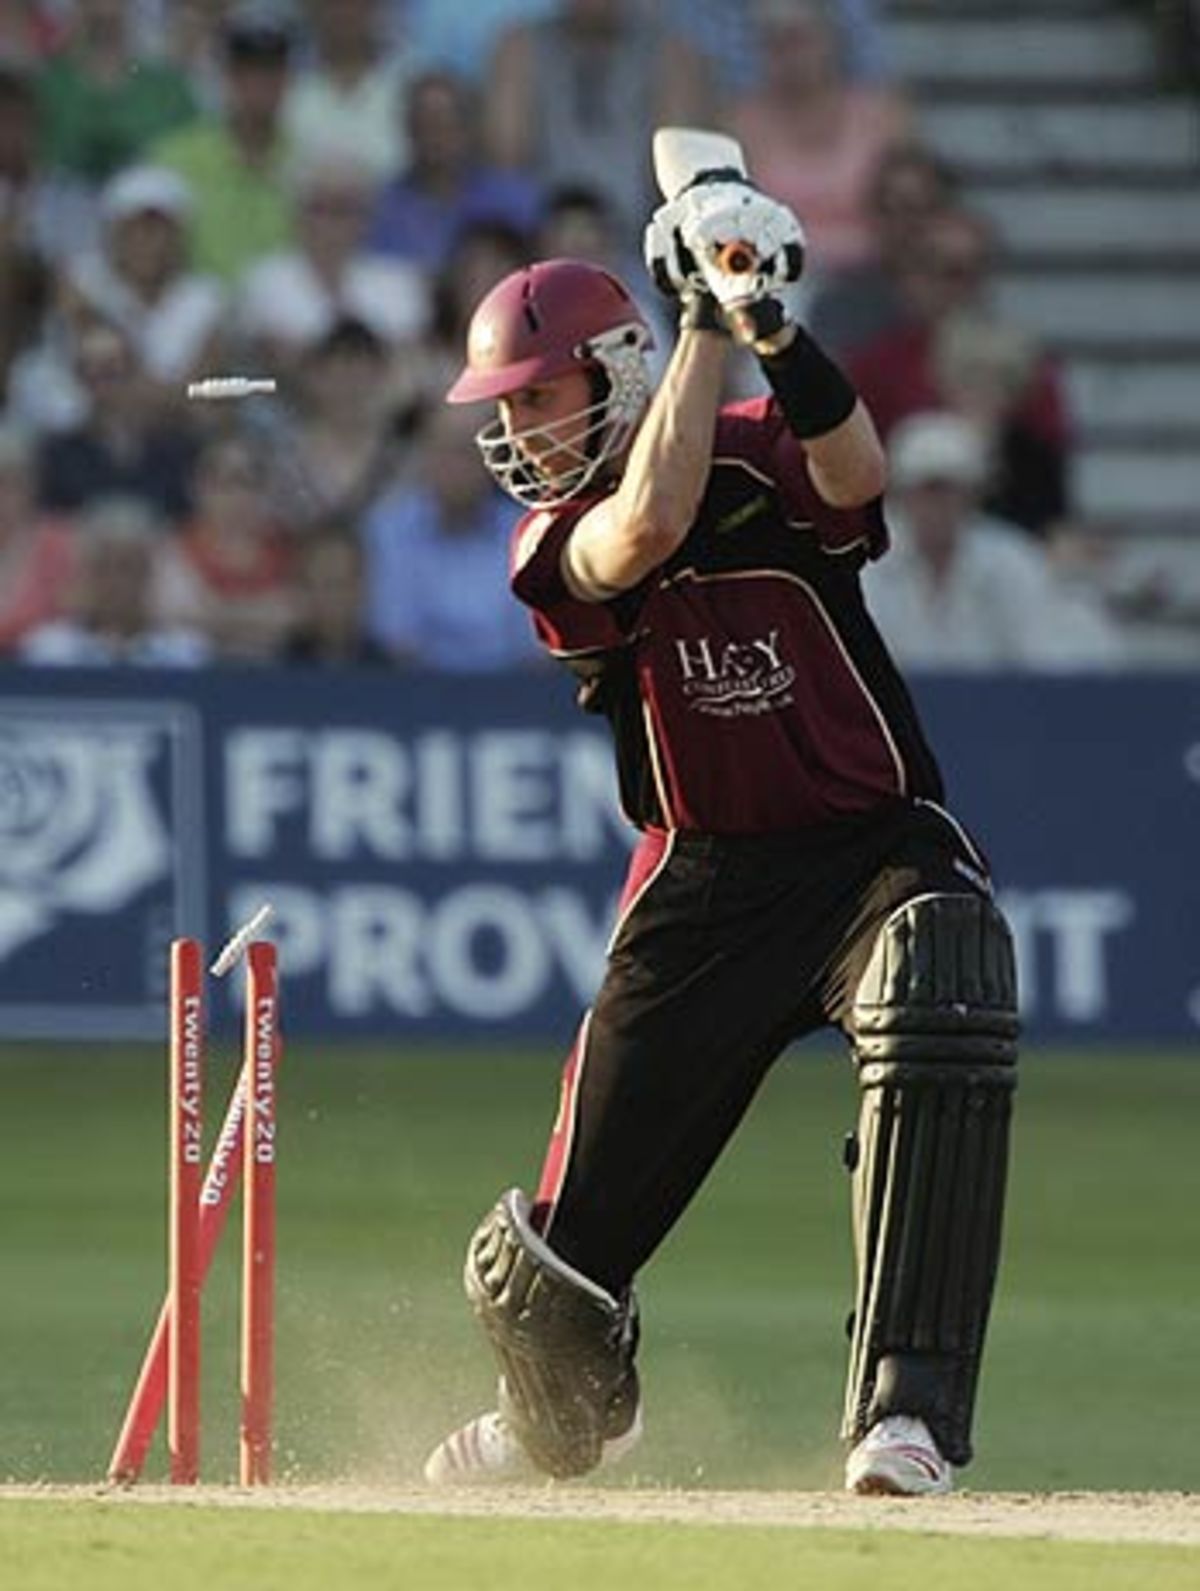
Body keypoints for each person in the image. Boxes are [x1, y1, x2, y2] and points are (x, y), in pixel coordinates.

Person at [421, 167, 1020, 1497]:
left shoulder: (760, 439)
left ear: (612, 372)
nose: (516, 425)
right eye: (504, 404)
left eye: (535, 392)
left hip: (871, 850)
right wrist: (704, 318)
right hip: (703, 882)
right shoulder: (549, 539)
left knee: (944, 976)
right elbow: (647, 526)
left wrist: (764, 320)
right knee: (544, 1282)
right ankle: (571, 1415)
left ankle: (902, 1412)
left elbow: (855, 466)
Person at [861, 411, 1123, 671]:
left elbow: (1040, 658)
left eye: (950, 491)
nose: (938, 506)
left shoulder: (1012, 561)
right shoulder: (870, 567)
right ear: (903, 495)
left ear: (971, 496)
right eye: (928, 491)